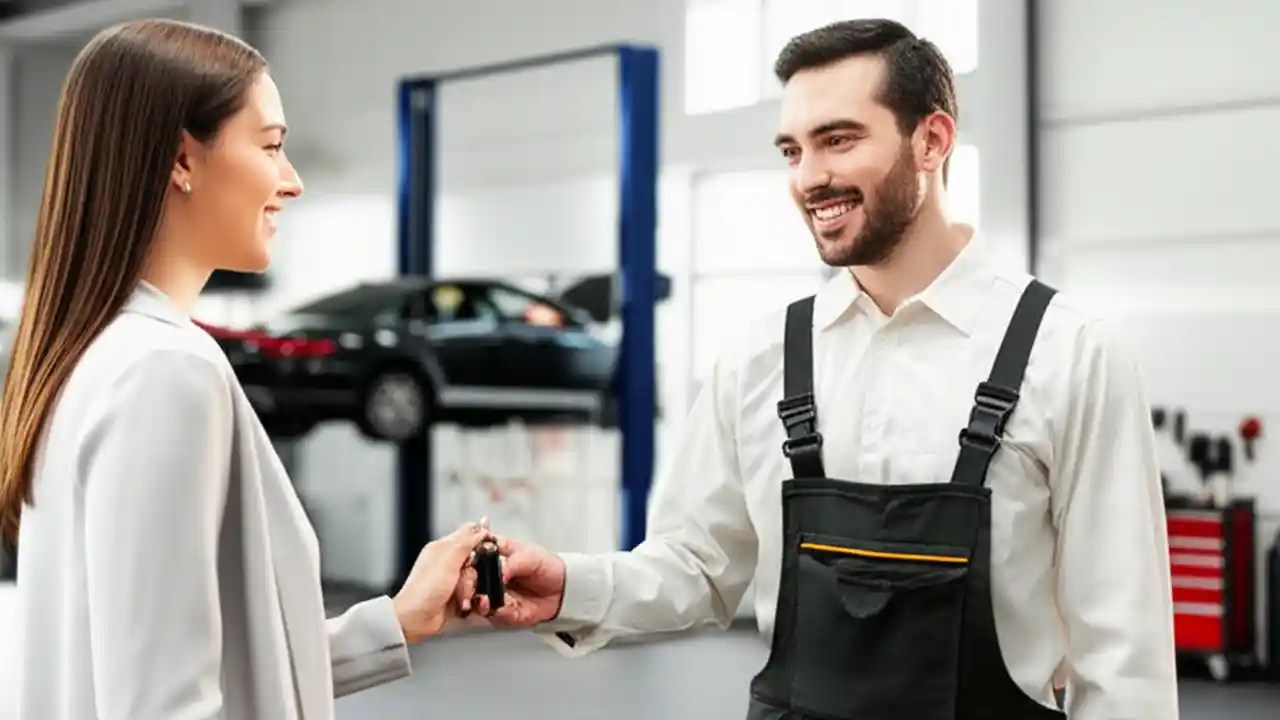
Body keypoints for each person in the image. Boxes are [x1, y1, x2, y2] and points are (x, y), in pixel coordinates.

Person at [468, 18, 1178, 719]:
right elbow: (698, 568)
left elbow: (1123, 659)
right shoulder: (761, 359)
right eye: (791, 150)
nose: (810, 178)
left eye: (837, 140)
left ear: (931, 141)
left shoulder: (1072, 354)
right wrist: (567, 585)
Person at [0, 19, 488, 719]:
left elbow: (203, 666)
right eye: (271, 147)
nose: (290, 182)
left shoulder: (89, 357)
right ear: (181, 159)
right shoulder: (165, 371)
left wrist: (395, 622)